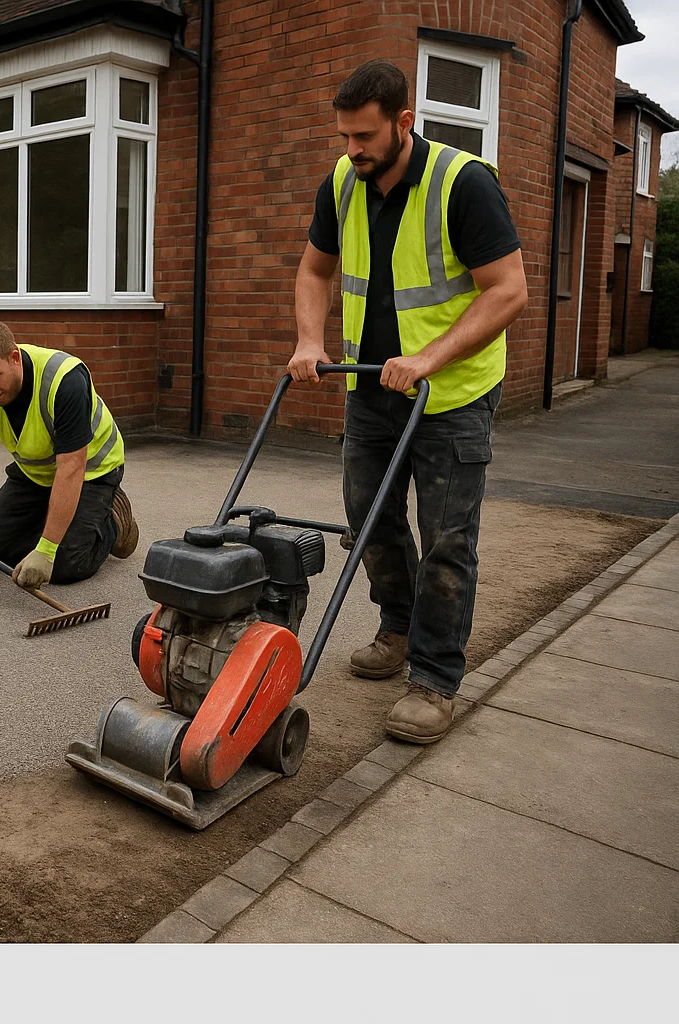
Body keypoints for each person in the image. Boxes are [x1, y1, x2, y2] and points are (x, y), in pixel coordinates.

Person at [287, 60, 528, 744]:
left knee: (448, 537)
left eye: (363, 136)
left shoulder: (464, 183)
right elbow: (314, 269)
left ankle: (434, 678)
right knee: (369, 519)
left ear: (403, 122)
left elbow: (507, 289)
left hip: (452, 394)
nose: (352, 150)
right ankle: (396, 627)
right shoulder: (342, 181)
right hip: (371, 386)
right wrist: (310, 339)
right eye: (343, 136)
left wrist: (429, 357)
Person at [0, 320, 138, 588]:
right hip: (36, 474)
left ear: (14, 357)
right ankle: (58, 520)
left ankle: (114, 522)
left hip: (91, 471)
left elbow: (71, 467)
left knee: (63, 566)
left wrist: (48, 549)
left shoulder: (65, 380)